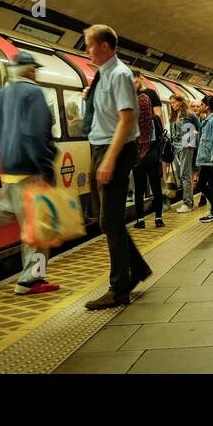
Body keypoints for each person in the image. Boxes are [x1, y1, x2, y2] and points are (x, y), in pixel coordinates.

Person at [0, 51, 60, 296]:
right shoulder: (34, 93)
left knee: (3, 211)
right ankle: (31, 280)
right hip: (31, 170)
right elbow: (36, 134)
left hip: (10, 168)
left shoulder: (0, 95)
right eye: (34, 68)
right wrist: (45, 167)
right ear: (29, 70)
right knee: (39, 227)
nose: (36, 72)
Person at [82, 25, 151, 310]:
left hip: (115, 149)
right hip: (103, 147)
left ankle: (119, 288)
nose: (87, 50)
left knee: (109, 221)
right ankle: (136, 271)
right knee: (108, 219)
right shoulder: (103, 75)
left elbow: (127, 119)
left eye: (90, 45)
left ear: (105, 46)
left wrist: (110, 158)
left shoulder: (120, 74)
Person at [131, 82, 165, 229]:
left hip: (138, 159)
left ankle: (140, 220)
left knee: (139, 190)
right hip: (153, 157)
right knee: (156, 188)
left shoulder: (133, 122)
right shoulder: (156, 120)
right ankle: (158, 218)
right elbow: (161, 137)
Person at [167, 95, 199, 213]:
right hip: (176, 147)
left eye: (174, 102)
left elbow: (199, 128)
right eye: (171, 103)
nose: (172, 105)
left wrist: (193, 135)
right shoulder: (173, 116)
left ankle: (188, 203)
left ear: (181, 102)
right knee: (183, 174)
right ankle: (189, 201)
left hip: (187, 145)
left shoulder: (190, 115)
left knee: (184, 175)